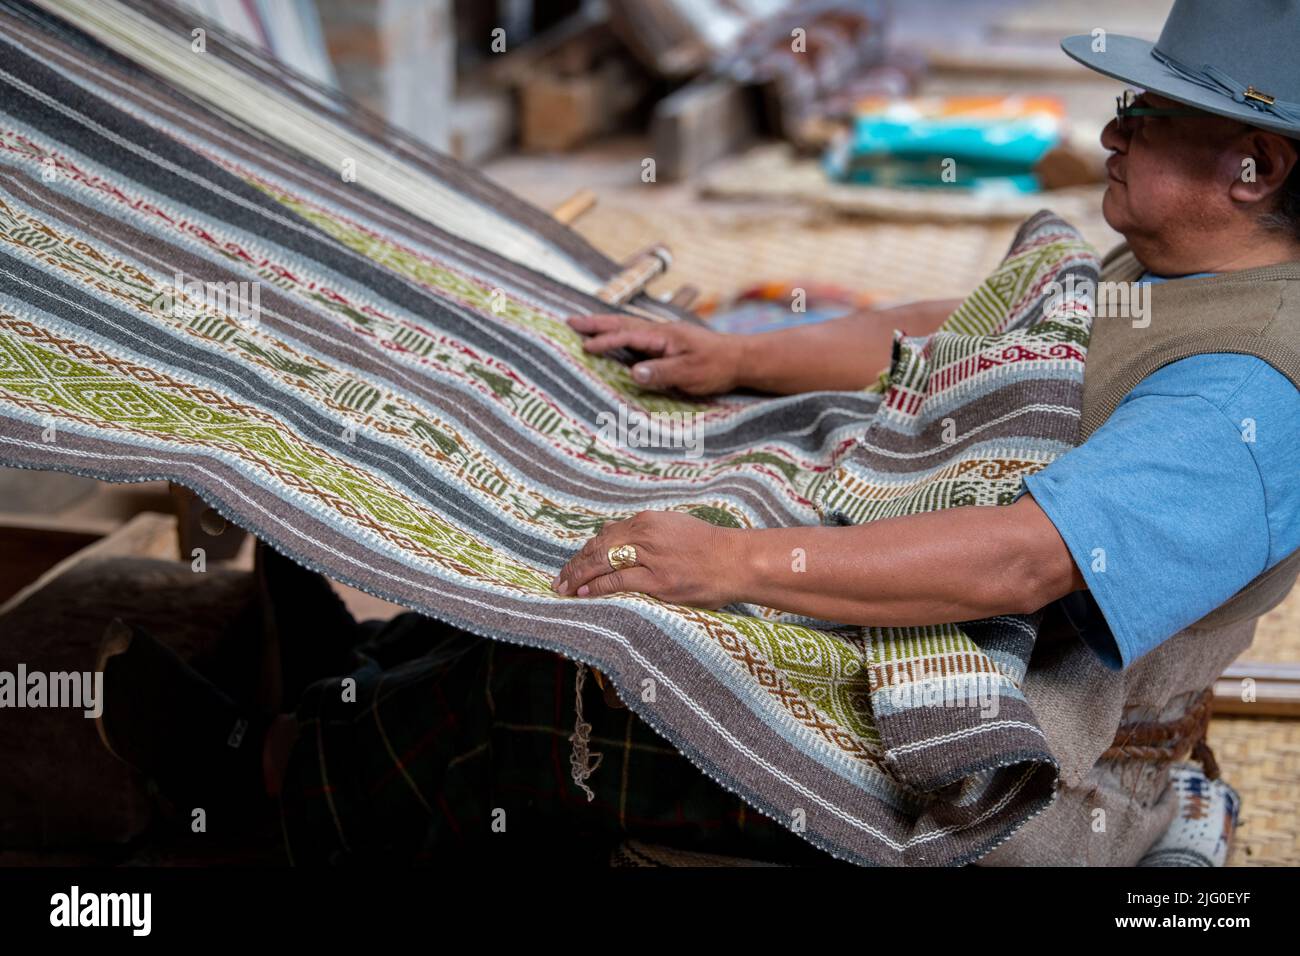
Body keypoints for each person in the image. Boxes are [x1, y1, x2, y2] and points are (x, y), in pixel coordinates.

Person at [98, 0, 1300, 866]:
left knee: (629, 634)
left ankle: (265, 781)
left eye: (1146, 112)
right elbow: (971, 327)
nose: (1112, 132)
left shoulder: (1248, 396)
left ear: (1254, 165)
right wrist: (736, 355)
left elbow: (1026, 559)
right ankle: (359, 692)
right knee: (671, 475)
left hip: (1022, 748)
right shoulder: (1169, 277)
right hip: (982, 613)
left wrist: (734, 565)